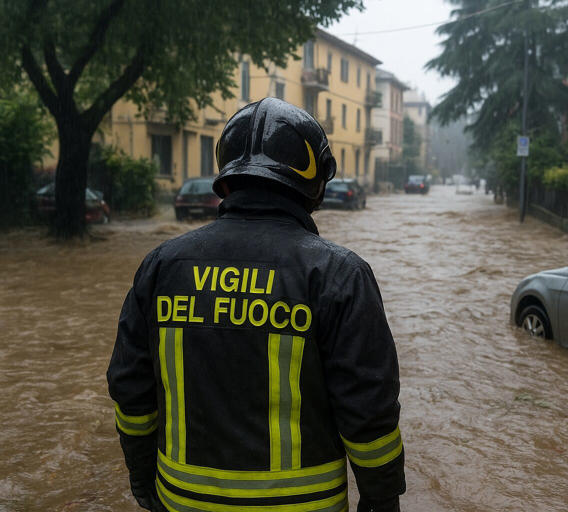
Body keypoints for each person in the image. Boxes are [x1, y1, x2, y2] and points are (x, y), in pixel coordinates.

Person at [107, 98, 405, 512]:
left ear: (225, 181)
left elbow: (130, 392)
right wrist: (380, 501)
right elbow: (370, 414)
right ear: (315, 185)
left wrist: (143, 484)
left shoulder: (162, 267)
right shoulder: (339, 274)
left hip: (181, 501)